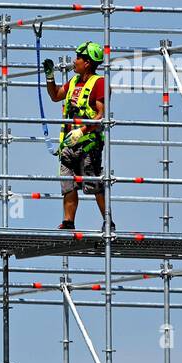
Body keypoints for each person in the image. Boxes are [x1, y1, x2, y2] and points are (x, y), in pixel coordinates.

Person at [44, 40, 112, 231]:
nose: (75, 61)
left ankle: (108, 222)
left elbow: (101, 115)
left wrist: (82, 130)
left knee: (94, 183)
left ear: (88, 62)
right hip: (68, 143)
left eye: (78, 58)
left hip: (88, 143)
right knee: (68, 184)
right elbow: (56, 95)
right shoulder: (74, 81)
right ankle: (68, 222)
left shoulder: (99, 83)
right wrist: (50, 78)